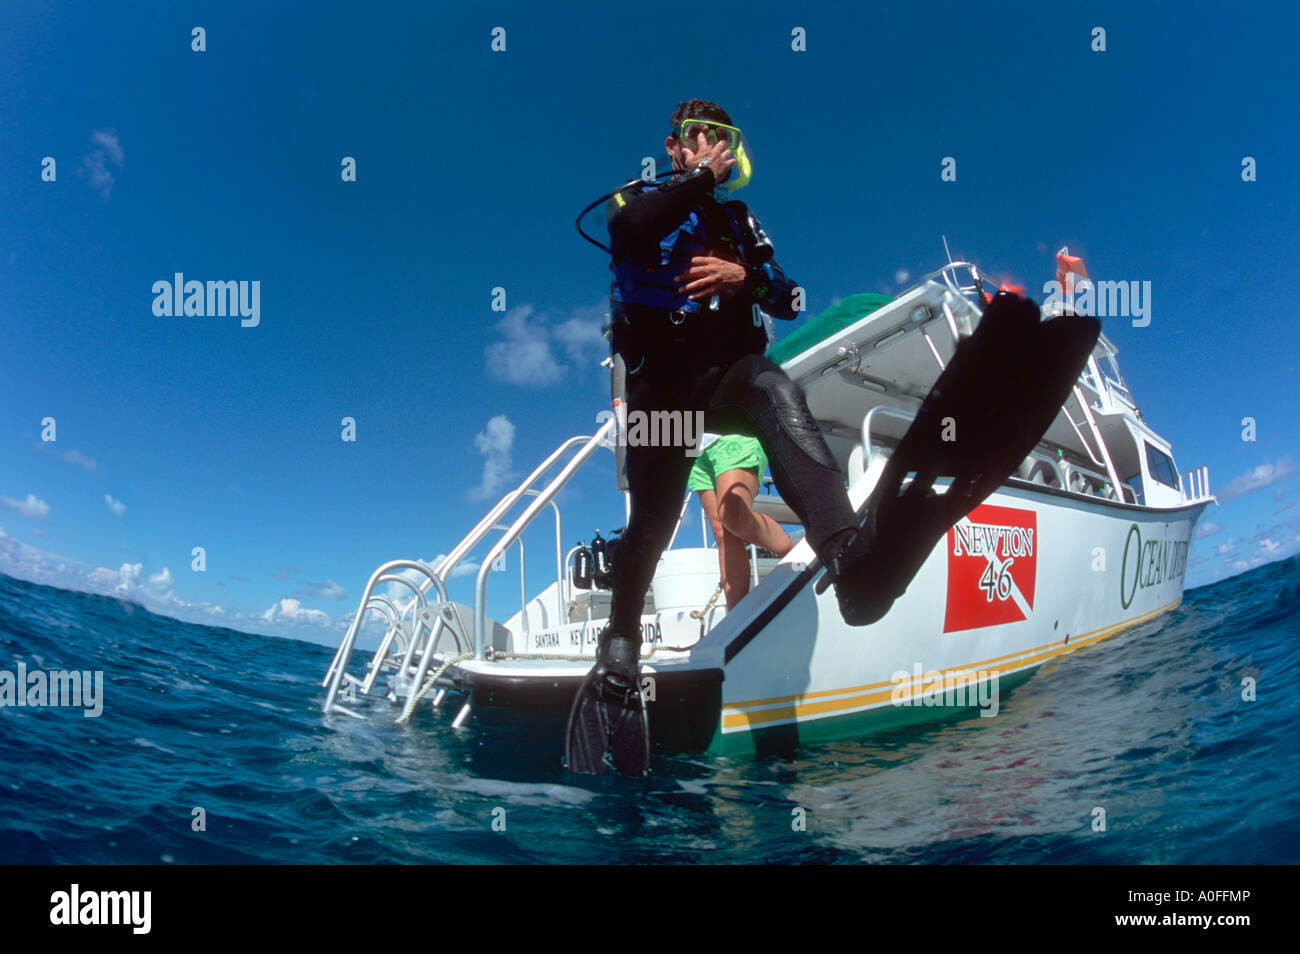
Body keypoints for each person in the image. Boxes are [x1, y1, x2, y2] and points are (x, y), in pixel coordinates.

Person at [688, 434, 794, 610]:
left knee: (733, 515)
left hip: (731, 430)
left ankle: (801, 559)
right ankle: (737, 614)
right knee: (721, 532)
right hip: (695, 446)